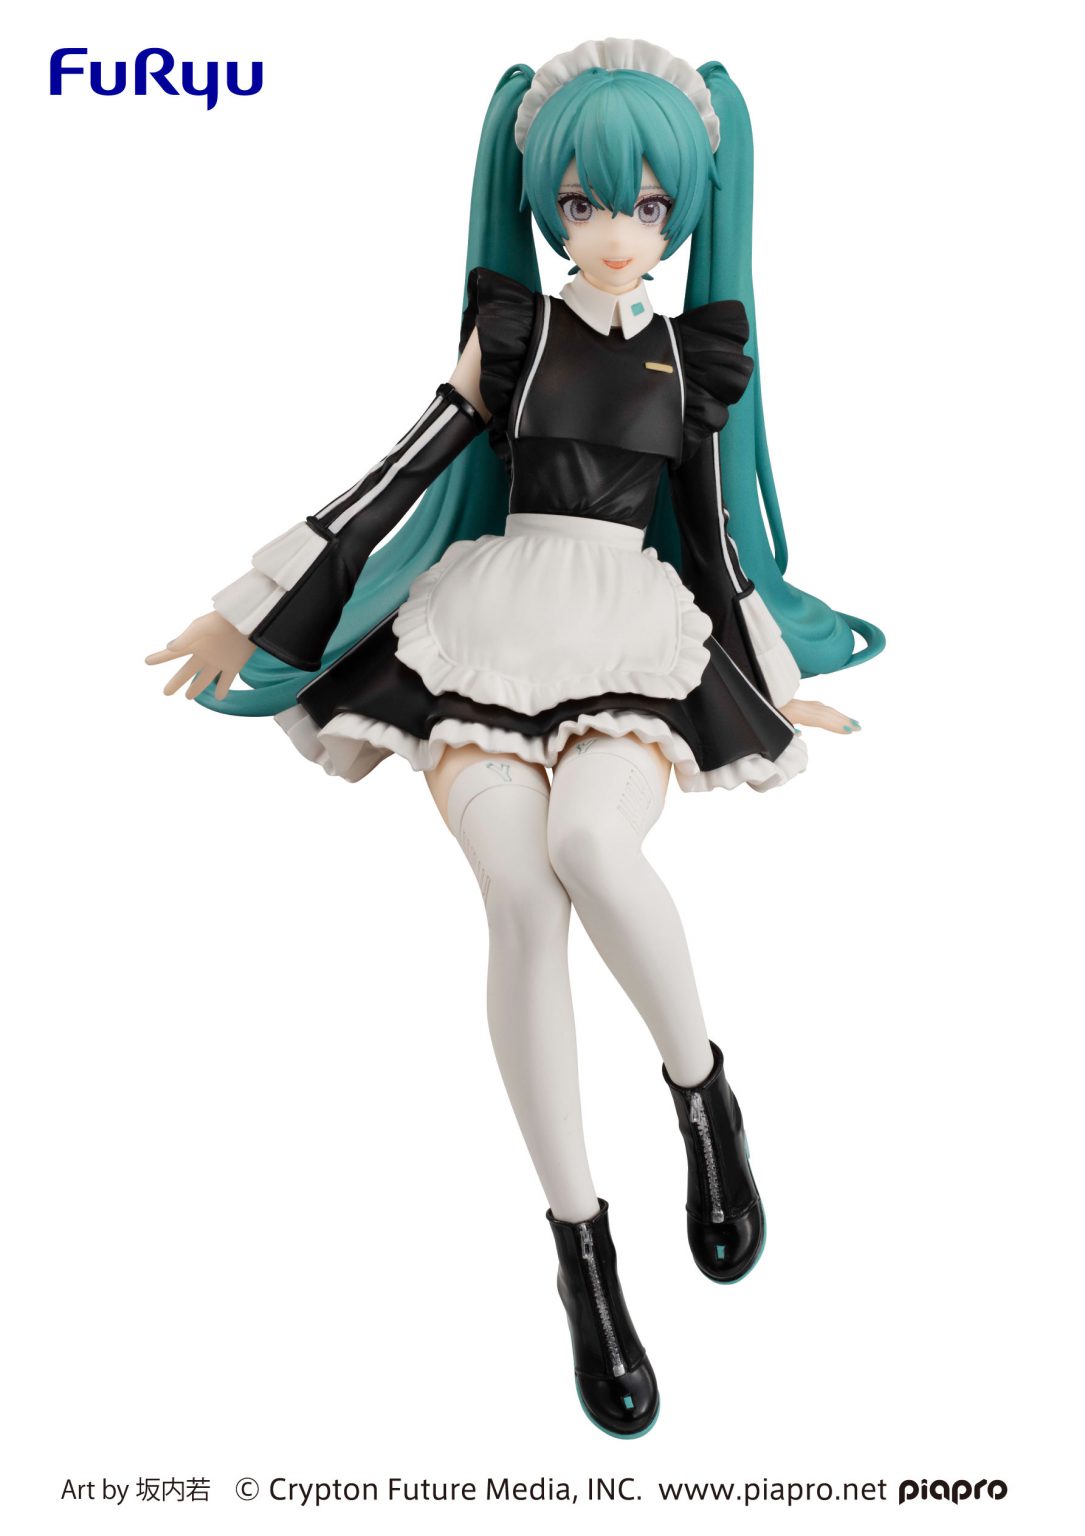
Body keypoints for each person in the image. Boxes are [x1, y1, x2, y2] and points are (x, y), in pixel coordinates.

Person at [146, 38, 883, 1438]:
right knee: (520, 898)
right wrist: (246, 610)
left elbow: (716, 540)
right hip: (480, 631)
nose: (617, 235)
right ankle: (581, 1252)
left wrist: (770, 679)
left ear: (681, 215)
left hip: (629, 633)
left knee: (595, 845)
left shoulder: (694, 356)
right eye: (590, 204)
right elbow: (399, 471)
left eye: (648, 208)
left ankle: (702, 1097)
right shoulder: (513, 334)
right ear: (548, 204)